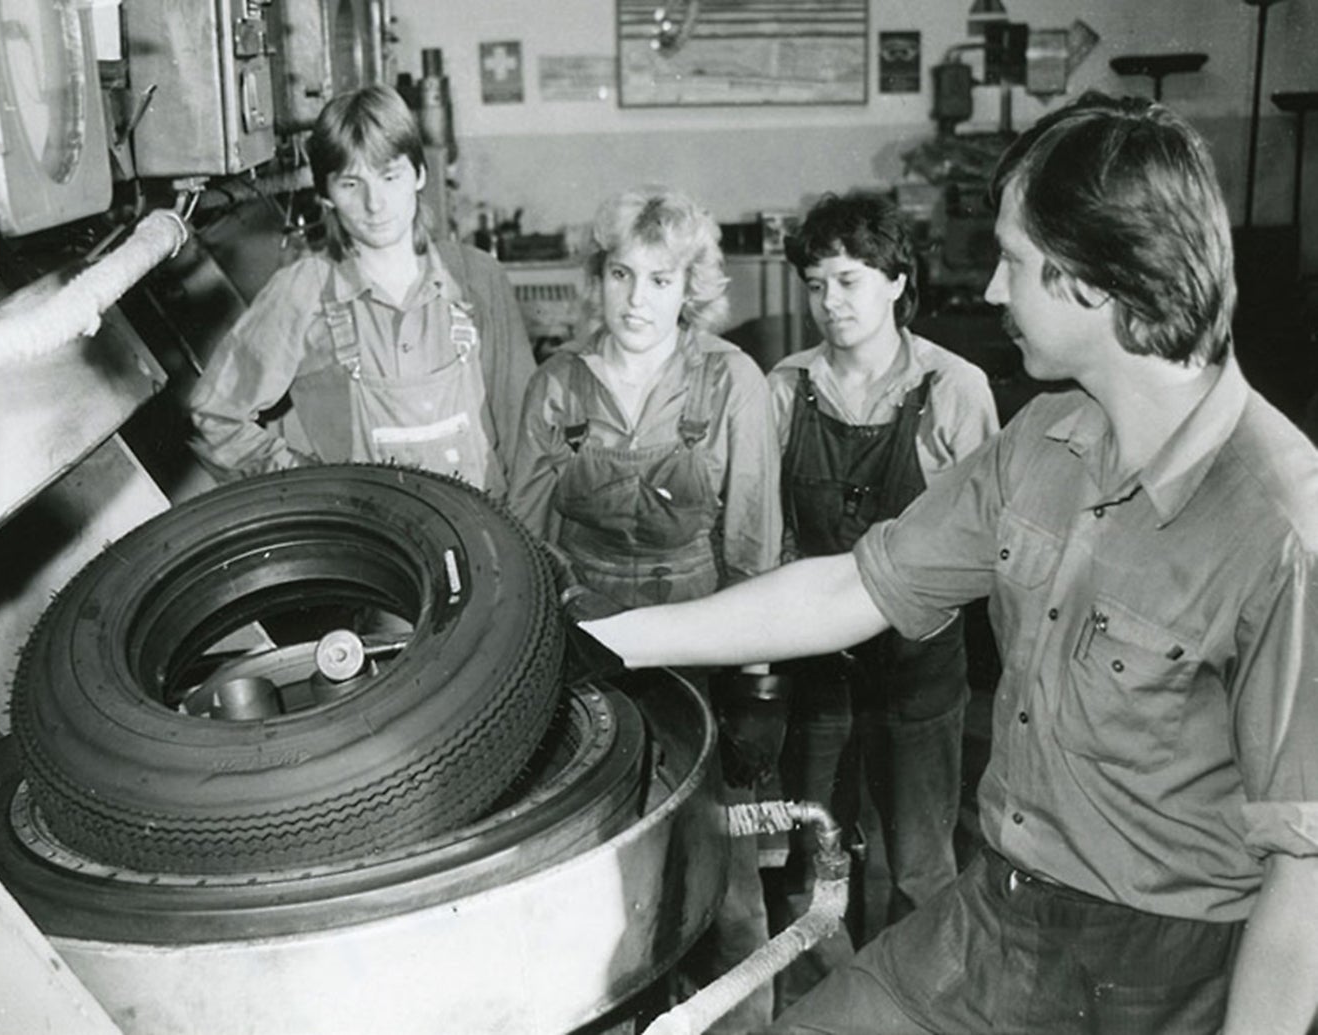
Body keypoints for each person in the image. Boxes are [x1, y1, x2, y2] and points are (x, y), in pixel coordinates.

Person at [580, 93, 1318, 1034]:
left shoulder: (1279, 529)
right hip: (992, 915)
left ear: (1091, 278)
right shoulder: (1043, 442)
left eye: (1012, 260)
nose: (996, 291)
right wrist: (601, 642)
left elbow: (1301, 877)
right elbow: (852, 585)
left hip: (1151, 969)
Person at [508, 185, 782, 1032]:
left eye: (660, 279)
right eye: (621, 274)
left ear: (688, 287)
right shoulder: (558, 386)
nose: (637, 299)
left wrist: (757, 685)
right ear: (597, 278)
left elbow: (755, 542)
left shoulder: (728, 379)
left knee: (729, 893)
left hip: (702, 645)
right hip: (592, 661)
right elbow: (524, 536)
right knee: (599, 891)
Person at [768, 191, 996, 955]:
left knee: (919, 869)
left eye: (849, 279)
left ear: (897, 280)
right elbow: (762, 535)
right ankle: (828, 999)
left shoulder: (954, 389)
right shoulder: (782, 388)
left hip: (917, 668)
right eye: (815, 284)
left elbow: (991, 545)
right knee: (811, 859)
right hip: (816, 668)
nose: (828, 302)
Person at [187, 84, 535, 496]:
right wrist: (312, 490)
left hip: (484, 533)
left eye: (390, 176)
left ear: (420, 174)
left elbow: (527, 436)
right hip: (369, 550)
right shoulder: (303, 290)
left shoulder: (478, 278)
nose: (376, 203)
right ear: (325, 195)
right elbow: (217, 416)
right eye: (351, 185)